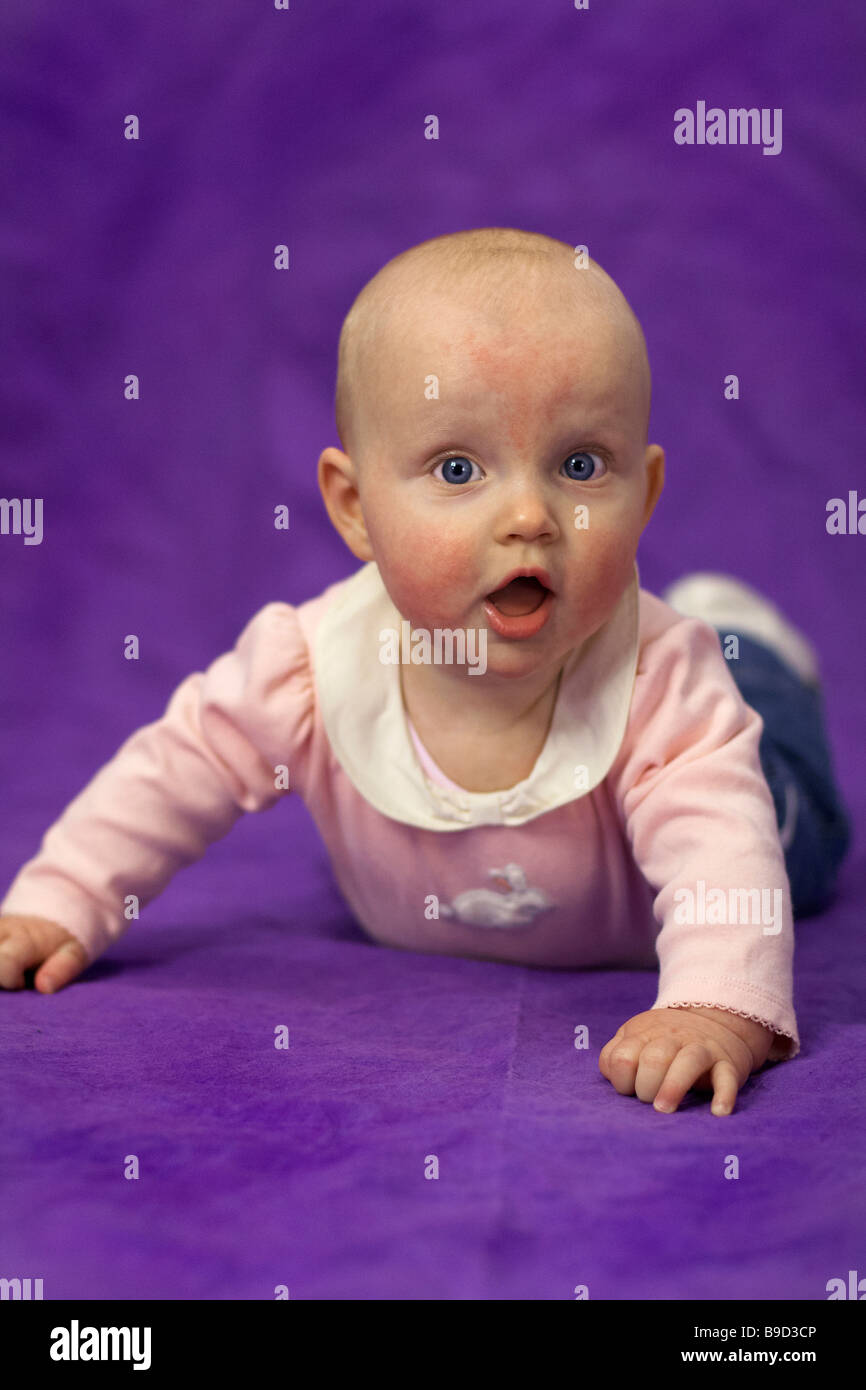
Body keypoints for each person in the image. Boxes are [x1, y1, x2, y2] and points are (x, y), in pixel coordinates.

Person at [0, 228, 851, 1119]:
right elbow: (176, 770)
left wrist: (715, 1005)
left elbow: (722, 850)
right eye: (457, 468)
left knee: (794, 823)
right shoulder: (308, 667)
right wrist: (62, 903)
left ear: (645, 497)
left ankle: (754, 647)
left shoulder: (661, 682)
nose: (530, 514)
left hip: (757, 806)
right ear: (356, 508)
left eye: (580, 466)